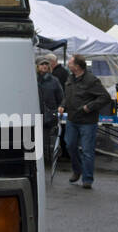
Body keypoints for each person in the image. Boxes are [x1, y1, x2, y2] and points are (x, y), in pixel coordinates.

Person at [59, 53, 111, 188]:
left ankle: (87, 179)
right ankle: (77, 170)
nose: (68, 65)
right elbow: (67, 96)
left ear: (76, 66)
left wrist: (89, 107)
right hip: (72, 119)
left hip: (87, 122)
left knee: (87, 151)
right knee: (70, 145)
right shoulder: (70, 78)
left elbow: (105, 97)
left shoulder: (91, 80)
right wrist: (63, 105)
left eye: (70, 63)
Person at [35, 56, 63, 166]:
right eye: (42, 64)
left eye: (46, 64)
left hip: (48, 116)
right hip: (33, 114)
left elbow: (61, 98)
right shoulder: (31, 79)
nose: (45, 66)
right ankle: (35, 162)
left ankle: (43, 163)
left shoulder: (54, 81)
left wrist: (56, 110)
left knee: (44, 140)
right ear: (37, 66)